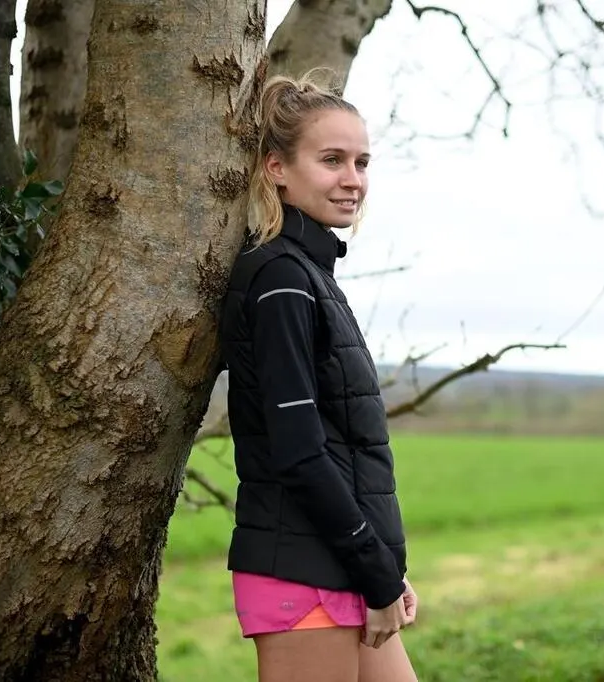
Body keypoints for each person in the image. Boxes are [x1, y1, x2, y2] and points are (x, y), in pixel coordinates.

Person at [217, 70, 419, 682]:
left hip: (345, 563)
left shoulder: (311, 275)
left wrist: (383, 565)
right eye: (331, 160)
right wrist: (375, 568)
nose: (352, 179)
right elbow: (300, 453)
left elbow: (345, 444)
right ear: (277, 168)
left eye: (361, 162)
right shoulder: (281, 279)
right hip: (298, 572)